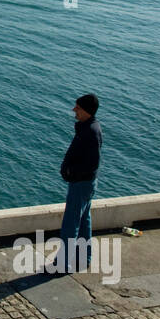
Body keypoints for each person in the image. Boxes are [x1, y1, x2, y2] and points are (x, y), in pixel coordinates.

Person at [58, 94, 102, 273]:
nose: (74, 110)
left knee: (71, 224)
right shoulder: (89, 128)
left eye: (77, 107)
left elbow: (93, 163)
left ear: (86, 110)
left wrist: (71, 173)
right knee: (84, 221)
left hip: (81, 184)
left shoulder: (90, 131)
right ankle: (84, 258)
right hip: (86, 183)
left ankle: (63, 264)